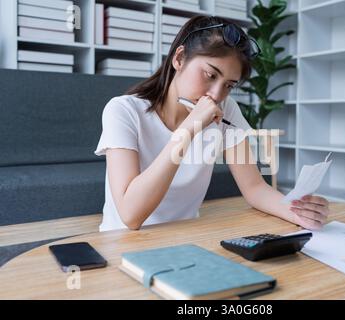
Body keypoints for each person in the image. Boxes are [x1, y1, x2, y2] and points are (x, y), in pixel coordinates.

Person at [94, 15, 330, 232]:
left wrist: (297, 211)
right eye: (210, 75)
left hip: (183, 240)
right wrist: (189, 129)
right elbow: (130, 215)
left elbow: (254, 188)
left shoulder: (226, 110)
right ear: (179, 58)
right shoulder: (123, 110)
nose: (216, 94)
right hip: (123, 242)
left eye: (229, 85)